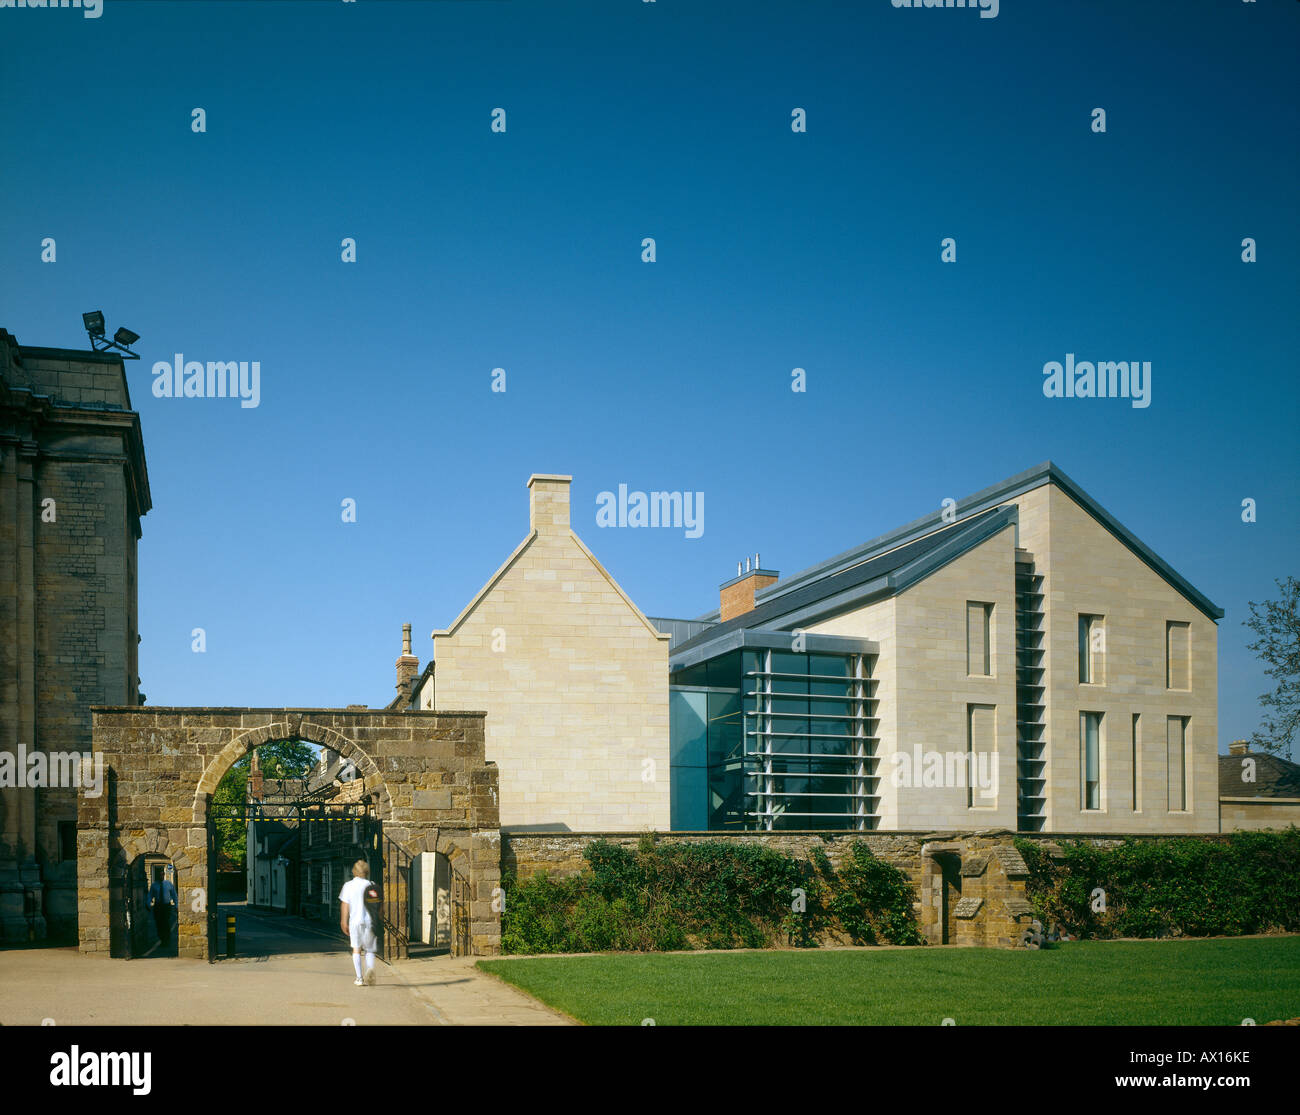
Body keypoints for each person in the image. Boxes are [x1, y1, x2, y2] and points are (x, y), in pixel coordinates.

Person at [339, 859, 378, 986]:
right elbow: (377, 905)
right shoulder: (372, 885)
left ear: (354, 871)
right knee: (370, 950)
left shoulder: (348, 886)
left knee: (356, 949)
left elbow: (345, 905)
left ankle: (359, 978)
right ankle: (370, 970)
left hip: (355, 921)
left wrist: (343, 921)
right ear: (367, 872)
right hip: (369, 921)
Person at [146, 867, 177, 954]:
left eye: (162, 874)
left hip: (166, 906)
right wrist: (148, 904)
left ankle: (166, 940)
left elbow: (174, 895)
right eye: (159, 875)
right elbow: (150, 895)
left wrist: (176, 905)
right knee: (159, 923)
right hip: (158, 906)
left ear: (164, 875)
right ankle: (162, 939)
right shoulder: (154, 885)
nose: (161, 876)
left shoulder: (168, 884)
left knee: (166, 923)